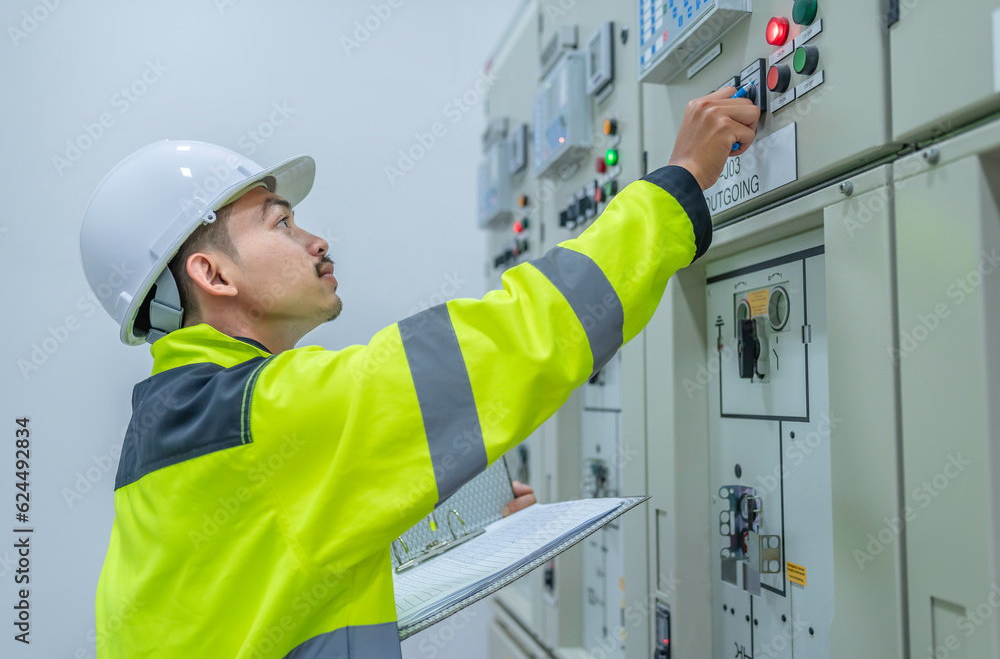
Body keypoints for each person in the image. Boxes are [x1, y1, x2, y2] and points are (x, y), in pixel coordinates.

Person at [78, 86, 759, 658]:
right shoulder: (266, 415)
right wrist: (674, 190)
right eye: (281, 223)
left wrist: (428, 534)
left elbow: (253, 593)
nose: (316, 240)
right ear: (211, 272)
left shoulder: (177, 418)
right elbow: (517, 338)